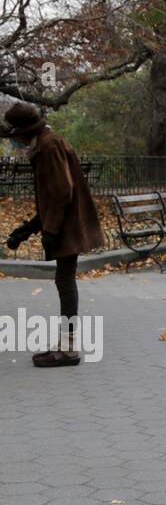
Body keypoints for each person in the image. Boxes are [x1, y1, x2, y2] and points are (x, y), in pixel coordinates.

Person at [2, 102, 105, 367]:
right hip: (66, 223)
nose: (16, 144)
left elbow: (61, 192)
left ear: (24, 133)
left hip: (67, 225)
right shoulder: (48, 143)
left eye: (16, 138)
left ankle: (69, 349)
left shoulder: (49, 147)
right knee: (64, 279)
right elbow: (51, 198)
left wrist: (49, 230)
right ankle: (65, 344)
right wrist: (26, 230)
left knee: (65, 280)